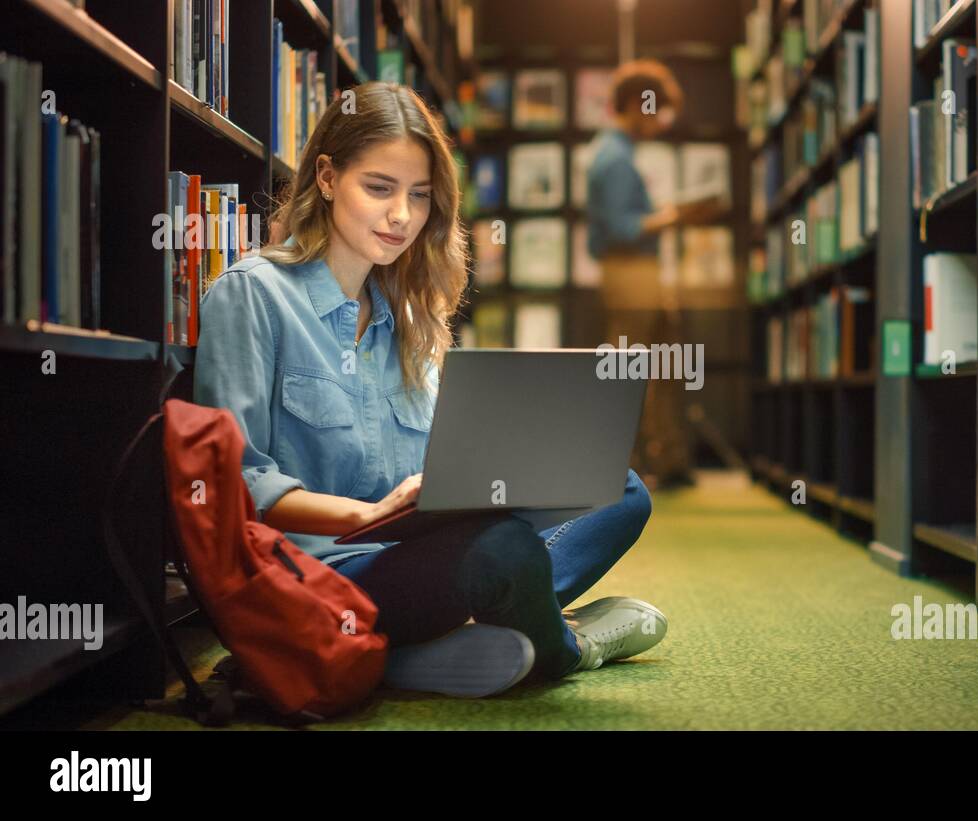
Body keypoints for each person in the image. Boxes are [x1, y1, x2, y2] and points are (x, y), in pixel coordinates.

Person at [193, 82, 667, 699]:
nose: (402, 217)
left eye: (419, 196)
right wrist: (366, 514)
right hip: (315, 577)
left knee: (620, 490)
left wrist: (504, 476)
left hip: (417, 558)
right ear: (329, 177)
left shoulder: (411, 315)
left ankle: (405, 648)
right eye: (380, 188)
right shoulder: (252, 293)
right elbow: (236, 486)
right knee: (503, 554)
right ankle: (569, 647)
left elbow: (442, 471)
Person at [586, 59, 717, 489]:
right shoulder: (614, 159)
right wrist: (678, 216)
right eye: (655, 109)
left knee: (656, 366)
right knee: (633, 368)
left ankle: (658, 460)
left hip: (635, 273)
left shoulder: (613, 155)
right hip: (631, 273)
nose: (661, 121)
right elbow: (624, 228)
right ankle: (627, 467)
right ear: (636, 107)